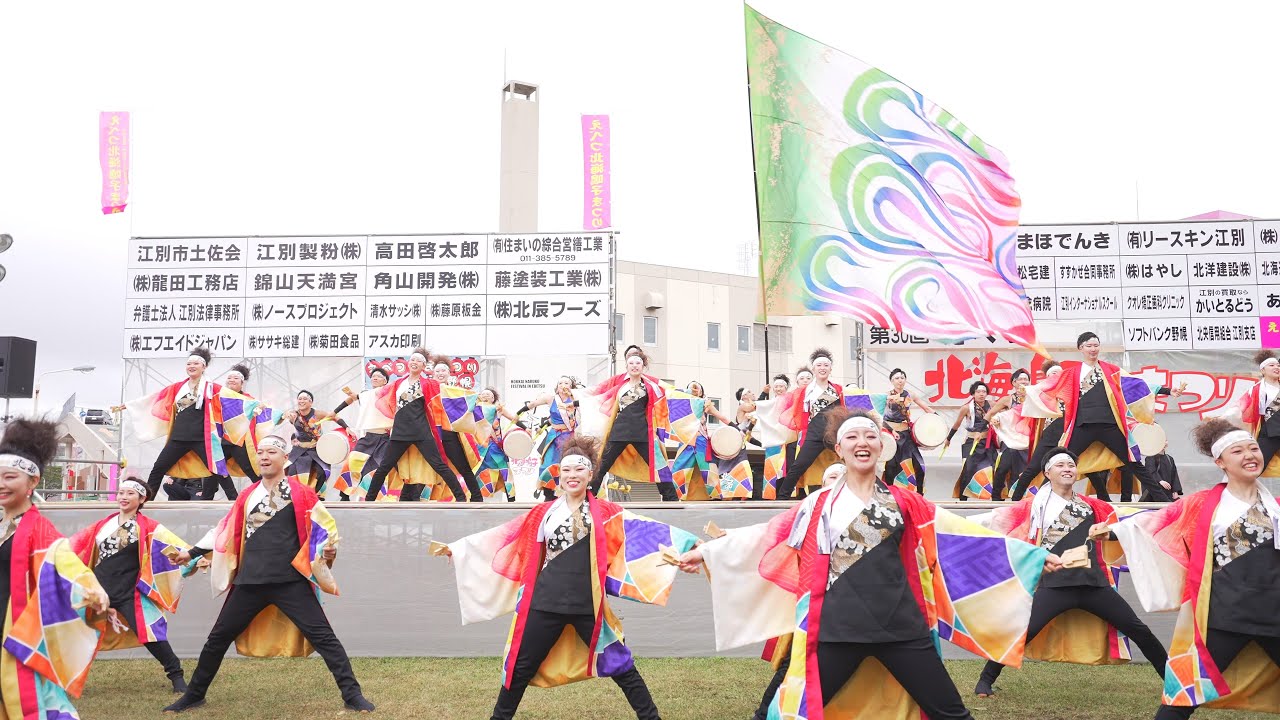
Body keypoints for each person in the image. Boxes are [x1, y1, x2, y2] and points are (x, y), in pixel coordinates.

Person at [678, 409, 1059, 720]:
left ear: (882, 446)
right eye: (852, 437)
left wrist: (1031, 556)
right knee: (799, 711)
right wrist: (708, 553)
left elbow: (963, 532)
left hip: (902, 628)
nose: (862, 442)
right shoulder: (818, 504)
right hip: (836, 629)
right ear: (839, 449)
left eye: (870, 436)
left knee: (951, 713)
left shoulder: (905, 501)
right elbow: (767, 536)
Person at [437, 435, 697, 720]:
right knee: (519, 668)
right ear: (559, 475)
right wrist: (460, 550)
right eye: (566, 470)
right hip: (545, 601)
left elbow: (645, 531)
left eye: (579, 469)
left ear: (591, 474)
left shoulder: (607, 513)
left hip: (588, 604)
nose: (572, 475)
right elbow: (505, 537)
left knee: (621, 664)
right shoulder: (543, 513)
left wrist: (689, 547)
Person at [164, 426, 374, 714]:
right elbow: (223, 531)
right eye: (260, 452)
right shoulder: (247, 495)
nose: (263, 457)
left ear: (285, 458)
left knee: (325, 638)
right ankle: (194, 694)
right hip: (250, 581)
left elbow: (325, 530)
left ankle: (352, 695)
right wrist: (191, 553)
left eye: (271, 452)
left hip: (290, 581)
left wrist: (327, 550)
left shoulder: (302, 493)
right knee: (217, 640)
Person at [1108, 419, 1280, 717]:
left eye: (1253, 448)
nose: (1250, 455)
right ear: (1220, 462)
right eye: (1237, 451)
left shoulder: (1275, 506)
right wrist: (1110, 531)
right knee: (1180, 701)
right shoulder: (1203, 504)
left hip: (1275, 615)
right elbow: (1152, 523)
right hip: (1224, 618)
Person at [973, 447, 1168, 697]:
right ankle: (985, 681)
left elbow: (1125, 526)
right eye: (1061, 465)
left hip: (1093, 584)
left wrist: (1107, 533)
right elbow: (994, 522)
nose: (1067, 469)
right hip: (1054, 585)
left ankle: (1172, 681)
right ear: (1047, 473)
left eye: (1071, 465)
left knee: (1139, 630)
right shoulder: (1033, 508)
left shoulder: (1093, 505)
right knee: (1022, 633)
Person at [0, 419, 109, 719]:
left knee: (28, 702)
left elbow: (64, 561)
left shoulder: (39, 529)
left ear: (33, 481)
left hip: (16, 631)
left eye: (9, 477)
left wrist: (91, 589)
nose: (1, 484)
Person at [1020, 332, 1176, 502]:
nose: (1093, 349)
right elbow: (1049, 387)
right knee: (1061, 460)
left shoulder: (1111, 370)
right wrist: (1027, 391)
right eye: (1089, 346)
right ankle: (1041, 500)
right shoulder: (1073, 373)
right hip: (1083, 425)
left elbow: (1137, 384)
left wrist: (1167, 391)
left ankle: (1165, 503)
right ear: (1081, 348)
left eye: (1096, 345)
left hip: (1109, 425)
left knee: (1134, 462)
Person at [69, 477, 190, 693]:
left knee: (151, 634)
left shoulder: (149, 527)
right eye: (121, 492)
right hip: (98, 589)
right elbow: (74, 545)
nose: (123, 497)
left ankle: (176, 675)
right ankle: (64, 678)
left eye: (130, 493)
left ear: (142, 499)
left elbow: (179, 547)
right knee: (73, 631)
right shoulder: (103, 525)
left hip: (129, 591)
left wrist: (197, 557)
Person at [129, 347, 259, 501]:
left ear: (204, 367)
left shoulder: (212, 388)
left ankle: (234, 501)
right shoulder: (178, 387)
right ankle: (146, 501)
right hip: (178, 438)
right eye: (189, 363)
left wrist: (256, 406)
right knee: (158, 468)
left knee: (218, 470)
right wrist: (130, 405)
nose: (191, 366)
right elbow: (155, 397)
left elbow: (234, 399)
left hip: (202, 439)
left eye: (196, 363)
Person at [363, 348, 470, 502]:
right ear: (408, 362)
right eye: (412, 359)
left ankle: (461, 498)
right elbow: (377, 394)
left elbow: (448, 393)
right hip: (400, 433)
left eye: (418, 361)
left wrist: (472, 397)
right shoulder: (398, 383)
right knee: (384, 467)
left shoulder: (428, 384)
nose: (414, 362)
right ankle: (369, 500)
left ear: (424, 366)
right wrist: (357, 397)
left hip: (421, 432)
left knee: (439, 465)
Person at [585, 350, 679, 501]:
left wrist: (692, 394)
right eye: (631, 363)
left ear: (643, 366)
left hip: (642, 432)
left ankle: (671, 499)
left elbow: (672, 393)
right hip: (619, 430)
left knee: (659, 465)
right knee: (602, 464)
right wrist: (574, 401)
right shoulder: (620, 385)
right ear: (626, 366)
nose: (634, 366)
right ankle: (588, 497)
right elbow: (598, 394)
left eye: (638, 363)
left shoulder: (651, 385)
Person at [776, 349, 848, 499]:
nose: (822, 368)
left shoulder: (838, 389)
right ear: (814, 369)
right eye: (819, 365)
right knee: (799, 465)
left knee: (853, 459)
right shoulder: (806, 391)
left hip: (834, 434)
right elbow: (796, 412)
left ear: (830, 369)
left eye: (826, 365)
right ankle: (782, 497)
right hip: (814, 434)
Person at [199, 362, 260, 501]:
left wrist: (259, 410)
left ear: (242, 383)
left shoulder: (248, 400)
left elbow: (262, 409)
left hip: (238, 441)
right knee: (214, 468)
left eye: (236, 378)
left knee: (249, 468)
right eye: (229, 378)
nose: (232, 380)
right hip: (221, 440)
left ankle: (264, 492)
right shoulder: (219, 396)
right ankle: (208, 498)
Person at [331, 367, 392, 500]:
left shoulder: (389, 394)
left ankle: (372, 498)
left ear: (385, 381)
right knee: (352, 461)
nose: (375, 377)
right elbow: (351, 399)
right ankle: (344, 495)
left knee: (375, 469)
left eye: (378, 376)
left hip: (385, 439)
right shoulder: (365, 394)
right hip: (369, 437)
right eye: (373, 376)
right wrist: (335, 412)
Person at [431, 359, 487, 502]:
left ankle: (476, 497)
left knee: (463, 467)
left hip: (449, 434)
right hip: (430, 435)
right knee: (426, 468)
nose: (440, 373)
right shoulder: (428, 390)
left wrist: (479, 398)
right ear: (433, 374)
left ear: (449, 373)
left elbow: (471, 401)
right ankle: (415, 497)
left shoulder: (455, 392)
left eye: (443, 370)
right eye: (437, 371)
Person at [1011, 359, 1066, 500]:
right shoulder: (1041, 392)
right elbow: (1022, 406)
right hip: (1050, 433)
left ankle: (1104, 497)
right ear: (1047, 378)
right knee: (1033, 468)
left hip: (1068, 433)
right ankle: (1015, 499)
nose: (1056, 376)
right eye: (1053, 374)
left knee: (1082, 466)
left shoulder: (1070, 389)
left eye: (1059, 373)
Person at [672, 381, 732, 500]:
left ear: (701, 392)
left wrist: (737, 429)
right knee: (679, 470)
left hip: (701, 441)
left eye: (697, 388)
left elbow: (722, 417)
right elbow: (671, 393)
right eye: (691, 388)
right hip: (686, 441)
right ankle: (674, 497)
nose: (694, 389)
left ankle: (716, 497)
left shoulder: (705, 403)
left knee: (708, 470)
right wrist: (688, 392)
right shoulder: (683, 402)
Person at [524, 375, 581, 502]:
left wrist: (573, 403)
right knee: (548, 464)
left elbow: (586, 404)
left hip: (569, 437)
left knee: (567, 464)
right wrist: (521, 412)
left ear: (571, 387)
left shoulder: (576, 398)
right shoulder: (551, 398)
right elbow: (534, 404)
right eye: (560, 383)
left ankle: (567, 494)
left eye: (566, 383)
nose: (563, 385)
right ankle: (548, 495)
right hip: (553, 437)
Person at [882, 367, 937, 494]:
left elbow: (926, 408)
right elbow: (879, 416)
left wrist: (938, 419)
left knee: (919, 466)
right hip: (892, 435)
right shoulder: (886, 396)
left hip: (906, 435)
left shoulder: (910, 394)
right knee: (891, 467)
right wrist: (890, 430)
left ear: (905, 380)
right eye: (896, 378)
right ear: (892, 381)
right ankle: (890, 494)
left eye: (902, 377)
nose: (900, 380)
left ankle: (919, 495)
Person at [986, 368, 1032, 501]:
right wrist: (992, 421)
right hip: (1010, 440)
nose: (1024, 381)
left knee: (1023, 470)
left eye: (1026, 379)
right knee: (1003, 467)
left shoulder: (1034, 399)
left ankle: (1018, 498)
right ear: (1014, 382)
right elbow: (991, 413)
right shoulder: (1007, 400)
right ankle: (996, 496)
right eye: (1021, 379)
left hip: (1027, 440)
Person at [284, 390, 343, 493]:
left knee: (322, 472)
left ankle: (313, 495)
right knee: (291, 471)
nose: (301, 401)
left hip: (316, 449)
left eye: (305, 399)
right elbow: (282, 417)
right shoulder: (294, 414)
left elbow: (335, 417)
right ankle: (296, 495)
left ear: (311, 402)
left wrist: (347, 428)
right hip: (299, 450)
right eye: (299, 399)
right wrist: (285, 415)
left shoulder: (317, 414)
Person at [946, 381, 995, 501]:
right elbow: (957, 424)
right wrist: (948, 439)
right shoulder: (967, 408)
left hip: (988, 441)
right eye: (978, 392)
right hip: (972, 441)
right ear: (973, 393)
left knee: (993, 467)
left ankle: (995, 497)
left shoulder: (992, 404)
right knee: (968, 468)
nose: (981, 394)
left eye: (984, 392)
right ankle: (962, 498)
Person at [475, 386, 518, 500]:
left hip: (495, 445)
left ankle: (511, 498)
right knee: (477, 470)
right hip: (479, 445)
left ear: (493, 398)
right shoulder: (474, 408)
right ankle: (477, 499)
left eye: (489, 394)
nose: (486, 395)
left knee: (504, 469)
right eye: (483, 393)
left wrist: (525, 427)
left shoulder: (497, 409)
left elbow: (514, 419)